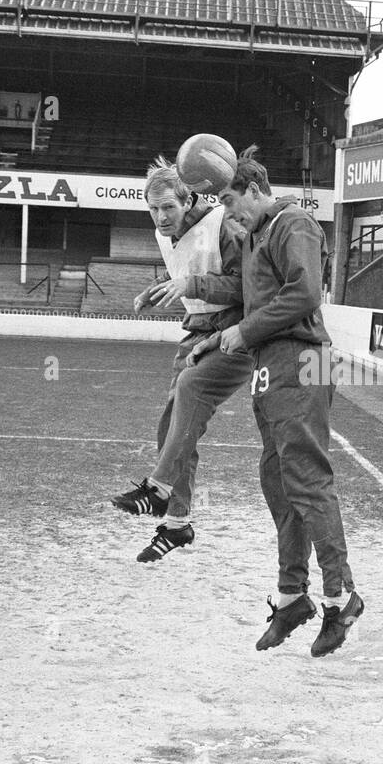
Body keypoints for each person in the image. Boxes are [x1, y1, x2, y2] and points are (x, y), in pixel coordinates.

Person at [217, 146, 364, 658]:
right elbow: (249, 301)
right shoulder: (257, 235)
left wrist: (246, 329)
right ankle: (292, 596)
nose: (227, 211)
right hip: (272, 365)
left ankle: (341, 598)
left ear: (255, 189)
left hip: (302, 361)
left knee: (307, 480)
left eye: (231, 198)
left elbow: (306, 295)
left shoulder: (293, 221)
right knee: (279, 482)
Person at [110, 157, 253, 562]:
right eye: (153, 209)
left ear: (188, 199)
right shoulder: (165, 234)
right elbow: (187, 274)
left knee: (187, 404)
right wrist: (156, 290)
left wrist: (189, 284)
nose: (160, 217)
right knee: (171, 430)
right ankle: (176, 524)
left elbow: (248, 287)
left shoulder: (224, 225)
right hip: (196, 332)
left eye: (168, 207)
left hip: (234, 332)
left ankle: (156, 490)